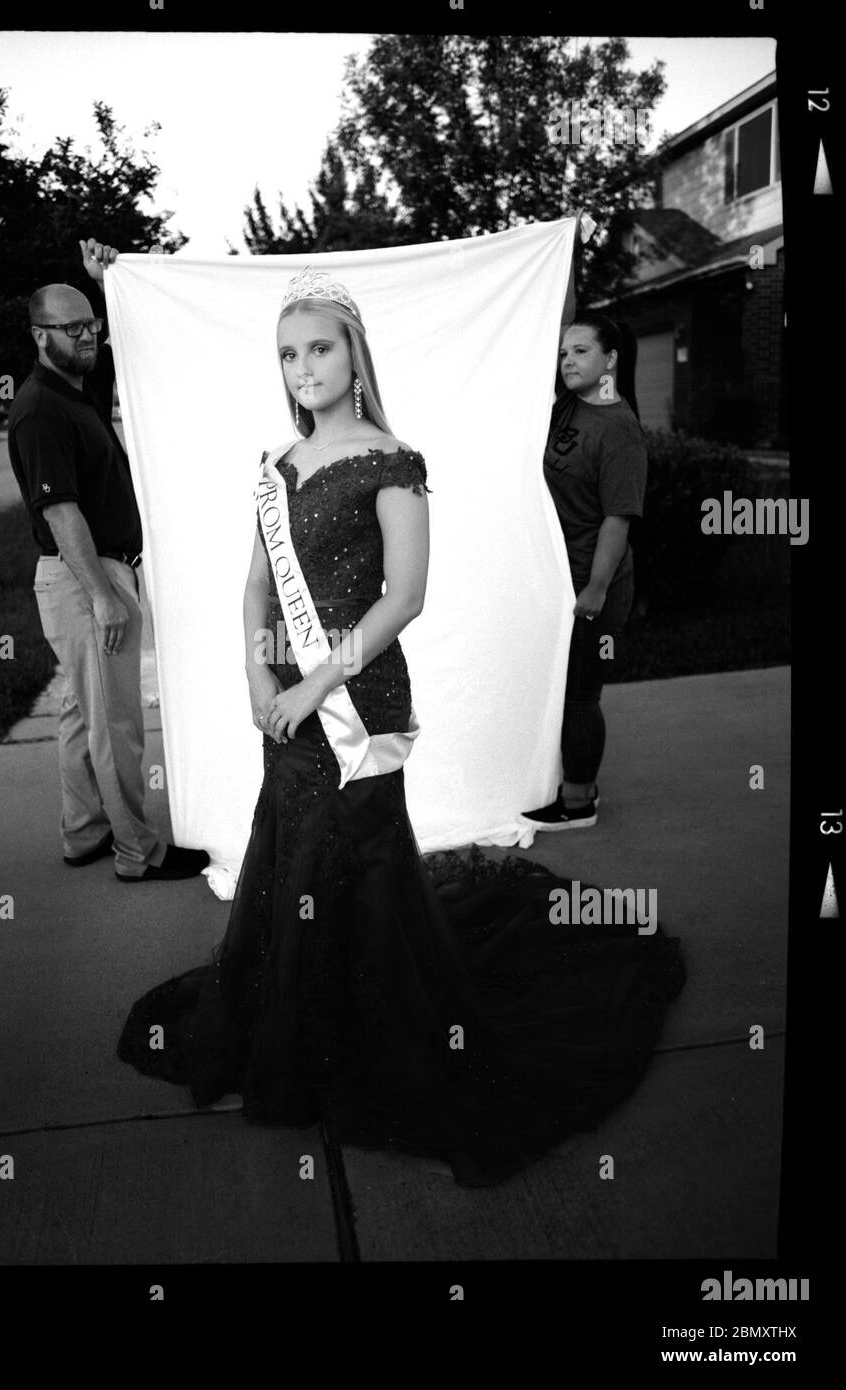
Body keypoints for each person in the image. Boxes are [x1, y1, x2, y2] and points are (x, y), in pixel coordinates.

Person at [117, 267, 684, 1187]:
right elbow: (258, 586)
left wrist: (311, 689)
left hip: (357, 699)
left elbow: (405, 597)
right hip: (287, 694)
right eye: (289, 353)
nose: (305, 366)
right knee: (289, 845)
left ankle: (370, 1026)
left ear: (354, 354)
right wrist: (261, 669)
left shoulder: (393, 460)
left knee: (353, 852)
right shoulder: (277, 466)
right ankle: (298, 1012)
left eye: (321, 347)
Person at [8, 240, 209, 883]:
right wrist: (103, 595)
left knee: (80, 711)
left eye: (92, 324)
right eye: (72, 329)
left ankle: (84, 832)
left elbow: (125, 341)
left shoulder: (74, 391)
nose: (89, 336)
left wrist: (109, 285)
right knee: (115, 721)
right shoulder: (41, 410)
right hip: (85, 575)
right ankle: (137, 851)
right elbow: (60, 511)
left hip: (86, 573)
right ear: (41, 337)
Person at [521, 310, 647, 831]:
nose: (567, 360)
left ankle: (578, 804)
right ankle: (570, 783)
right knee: (555, 687)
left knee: (579, 693)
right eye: (564, 352)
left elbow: (618, 521)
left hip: (594, 585)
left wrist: (595, 588)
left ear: (610, 360)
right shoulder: (569, 405)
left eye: (581, 352)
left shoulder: (620, 429)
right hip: (556, 579)